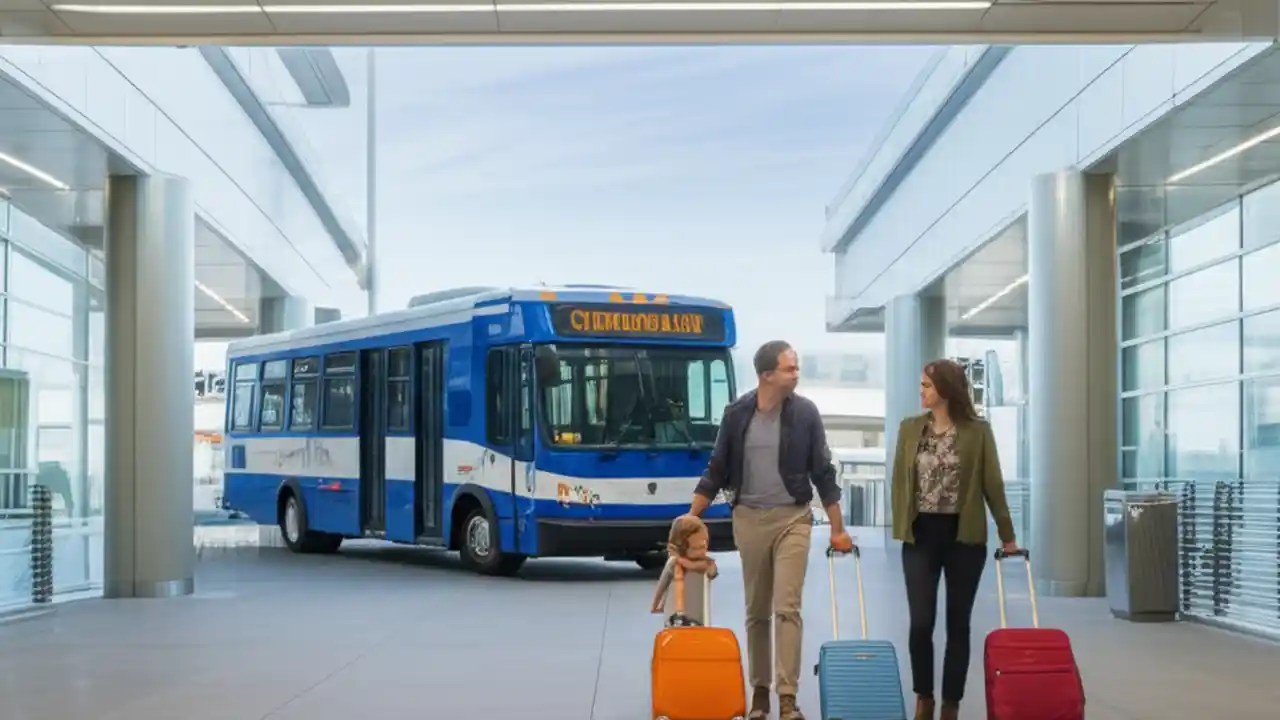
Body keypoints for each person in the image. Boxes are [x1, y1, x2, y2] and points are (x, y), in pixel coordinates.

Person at [690, 340, 852, 720]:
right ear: (766, 375)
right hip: (749, 518)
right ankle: (760, 691)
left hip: (792, 518)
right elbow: (716, 469)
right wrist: (690, 517)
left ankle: (787, 698)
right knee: (757, 610)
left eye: (796, 368)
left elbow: (822, 472)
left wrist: (838, 528)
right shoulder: (737, 414)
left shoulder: (806, 414)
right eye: (789, 368)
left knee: (787, 608)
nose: (796, 374)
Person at [890, 359, 1019, 720]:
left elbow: (992, 484)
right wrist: (899, 524)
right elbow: (900, 482)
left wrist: (1007, 535)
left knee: (957, 624)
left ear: (945, 389)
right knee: (920, 623)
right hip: (920, 536)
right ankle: (924, 697)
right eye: (921, 385)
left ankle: (951, 704)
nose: (921, 391)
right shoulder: (909, 429)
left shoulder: (977, 432)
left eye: (926, 386)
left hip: (964, 537)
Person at [651, 514, 719, 625]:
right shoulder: (674, 564)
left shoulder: (706, 564)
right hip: (675, 614)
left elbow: (712, 571)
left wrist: (690, 565)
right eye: (696, 548)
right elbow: (663, 585)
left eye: (705, 546)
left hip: (698, 615)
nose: (702, 551)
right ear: (681, 546)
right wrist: (656, 605)